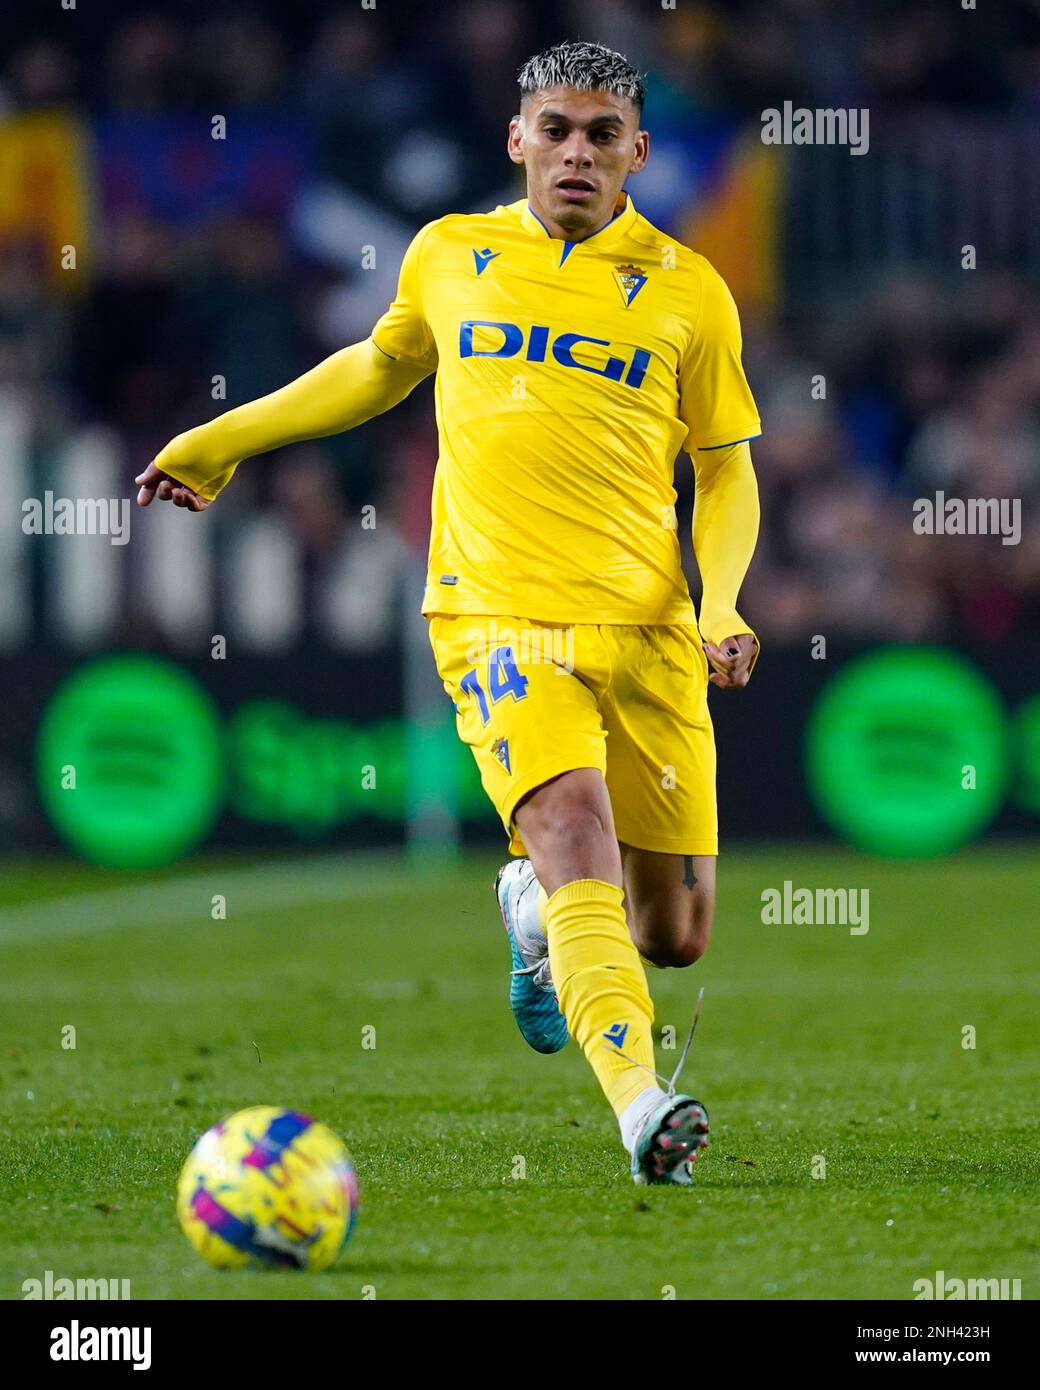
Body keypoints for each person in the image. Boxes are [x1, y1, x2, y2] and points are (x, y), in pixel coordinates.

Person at [135, 39, 761, 1185]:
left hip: (647, 627)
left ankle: (528, 907)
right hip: (494, 613)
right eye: (555, 130)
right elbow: (375, 369)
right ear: (516, 138)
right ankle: (641, 1108)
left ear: (637, 152)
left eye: (601, 135)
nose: (576, 153)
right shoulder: (450, 254)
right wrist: (218, 439)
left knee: (674, 934)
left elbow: (723, 467)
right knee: (572, 826)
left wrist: (717, 599)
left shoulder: (688, 288)